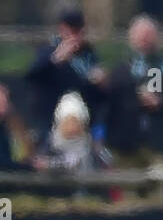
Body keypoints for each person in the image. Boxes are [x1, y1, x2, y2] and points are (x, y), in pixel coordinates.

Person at [106, 15, 163, 156]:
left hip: (161, 142)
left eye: (148, 34)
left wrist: (161, 101)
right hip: (126, 144)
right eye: (140, 35)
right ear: (131, 38)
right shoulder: (120, 70)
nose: (144, 39)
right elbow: (113, 104)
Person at [25, 8, 107, 138]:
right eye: (72, 31)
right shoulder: (48, 50)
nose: (75, 37)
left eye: (79, 32)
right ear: (62, 30)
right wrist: (55, 60)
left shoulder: (89, 55)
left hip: (82, 123)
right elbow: (32, 76)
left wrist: (100, 83)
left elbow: (95, 93)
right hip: (51, 121)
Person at [35, 91, 110, 173]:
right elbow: (40, 164)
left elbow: (107, 163)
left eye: (76, 122)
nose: (72, 127)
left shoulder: (92, 147)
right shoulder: (48, 145)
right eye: (67, 122)